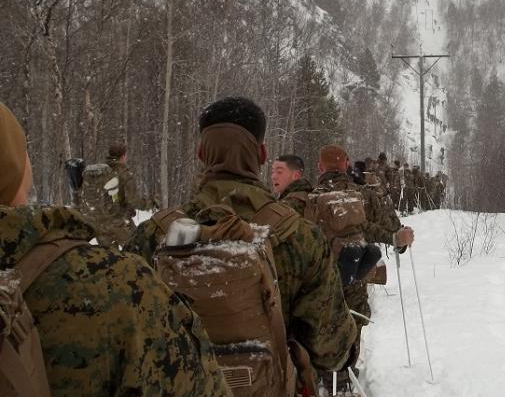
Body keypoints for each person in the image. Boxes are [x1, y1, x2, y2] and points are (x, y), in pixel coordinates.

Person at [0, 102, 233, 397]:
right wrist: (150, 204)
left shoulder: (93, 173)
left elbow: (84, 199)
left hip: (93, 230)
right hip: (107, 240)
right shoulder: (122, 288)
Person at [126, 97, 357, 380]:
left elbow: (123, 339)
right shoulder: (300, 236)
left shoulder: (152, 236)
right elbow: (333, 351)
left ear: (201, 153)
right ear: (262, 154)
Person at [285, 145, 413, 371]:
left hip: (319, 283)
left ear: (319, 166)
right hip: (355, 275)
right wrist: (397, 240)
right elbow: (387, 227)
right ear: (346, 164)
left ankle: (317, 374)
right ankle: (346, 373)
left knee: (317, 324)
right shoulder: (364, 194)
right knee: (353, 321)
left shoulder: (307, 198)